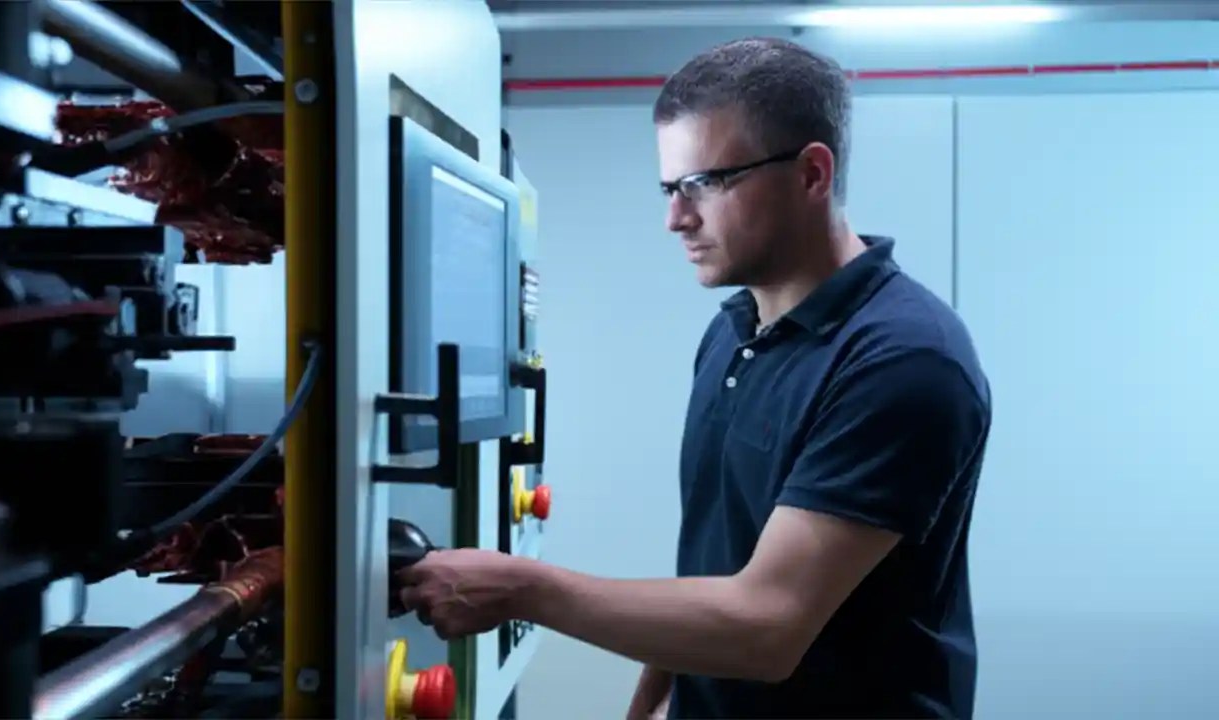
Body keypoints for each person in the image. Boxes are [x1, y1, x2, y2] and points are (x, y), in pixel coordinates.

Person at [397, 37, 992, 720]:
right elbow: (722, 561)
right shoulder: (733, 332)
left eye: (705, 184)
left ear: (811, 175)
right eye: (669, 188)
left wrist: (525, 590)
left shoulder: (903, 359)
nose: (675, 218)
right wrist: (663, 687)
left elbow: (769, 625)